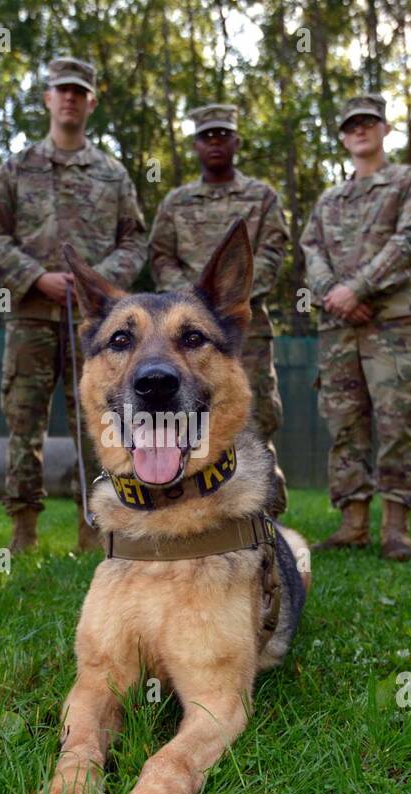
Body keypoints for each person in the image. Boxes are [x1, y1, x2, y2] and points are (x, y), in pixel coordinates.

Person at [0, 56, 147, 553]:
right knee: (23, 422)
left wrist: (95, 283)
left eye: (80, 91)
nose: (70, 98)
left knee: (98, 422)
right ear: (47, 98)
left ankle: (93, 530)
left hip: (93, 326)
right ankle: (23, 531)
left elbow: (136, 241)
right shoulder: (16, 168)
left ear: (91, 102)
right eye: (61, 90)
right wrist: (35, 278)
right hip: (31, 315)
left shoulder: (112, 175)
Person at [299, 93, 411, 560]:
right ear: (342, 136)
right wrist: (334, 298)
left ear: (384, 129)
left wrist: (357, 288)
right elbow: (311, 251)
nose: (360, 130)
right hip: (339, 329)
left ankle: (396, 528)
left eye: (368, 122)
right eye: (351, 124)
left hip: (393, 324)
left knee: (397, 420)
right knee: (344, 424)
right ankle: (352, 522)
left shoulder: (408, 181)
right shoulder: (330, 199)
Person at [148, 103, 290, 517]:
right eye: (207, 136)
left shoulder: (261, 197)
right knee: (181, 417)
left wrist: (221, 304)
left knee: (257, 415)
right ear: (195, 145)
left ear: (236, 142)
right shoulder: (175, 202)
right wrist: (191, 306)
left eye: (222, 135)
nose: (215, 142)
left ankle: (265, 514)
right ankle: (193, 509)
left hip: (244, 330)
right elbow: (160, 256)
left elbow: (271, 254)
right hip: (183, 334)